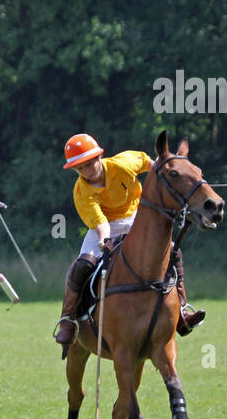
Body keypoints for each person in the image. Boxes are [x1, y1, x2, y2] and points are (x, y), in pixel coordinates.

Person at [52, 133, 204, 354]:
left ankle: (182, 310)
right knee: (83, 265)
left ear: (99, 157)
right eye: (81, 168)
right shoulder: (81, 191)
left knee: (172, 251)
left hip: (136, 217)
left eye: (90, 163)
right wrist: (105, 240)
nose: (88, 170)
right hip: (104, 226)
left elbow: (153, 167)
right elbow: (100, 222)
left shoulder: (123, 163)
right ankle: (68, 319)